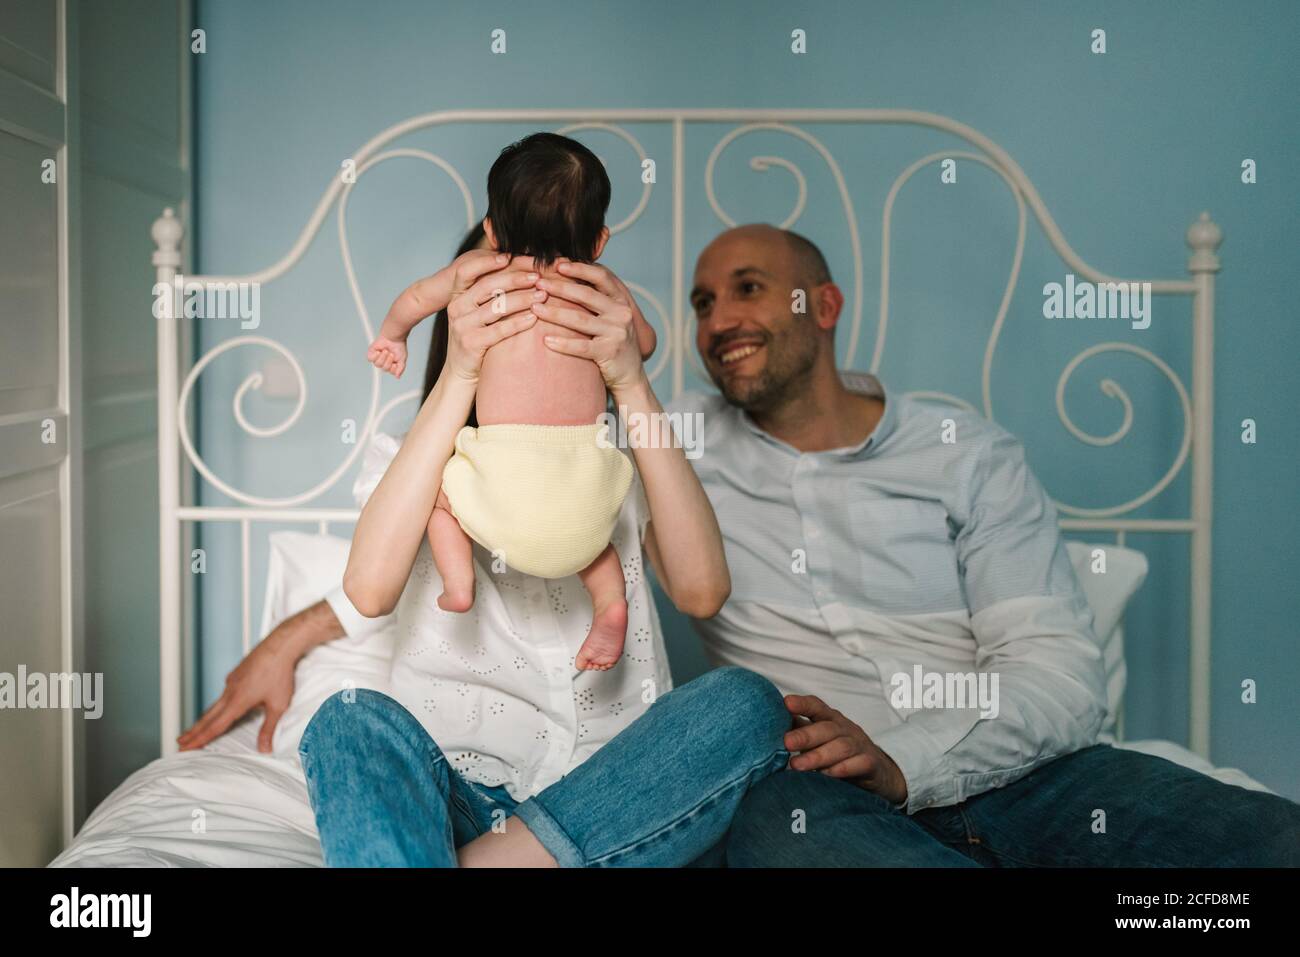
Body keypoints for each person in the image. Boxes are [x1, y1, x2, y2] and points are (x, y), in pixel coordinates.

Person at [670, 222, 1300, 866]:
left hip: (1030, 775)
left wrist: (906, 759)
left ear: (824, 305)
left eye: (748, 288)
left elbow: (1058, 675)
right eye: (702, 304)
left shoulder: (967, 455)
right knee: (783, 830)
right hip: (822, 794)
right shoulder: (673, 448)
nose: (719, 321)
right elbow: (570, 457)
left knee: (1274, 842)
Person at [181, 222, 791, 868]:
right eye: (496, 301)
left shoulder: (612, 467)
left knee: (747, 704)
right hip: (468, 796)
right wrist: (460, 372)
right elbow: (368, 588)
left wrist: (630, 381)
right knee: (348, 720)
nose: (522, 317)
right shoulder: (410, 461)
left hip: (614, 795)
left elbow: (703, 589)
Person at [365, 133, 656, 671]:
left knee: (440, 500)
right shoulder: (601, 285)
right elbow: (642, 344)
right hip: (582, 473)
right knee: (596, 544)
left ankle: (458, 581)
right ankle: (611, 605)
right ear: (598, 241)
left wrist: (392, 336)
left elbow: (413, 300)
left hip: (503, 472)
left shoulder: (478, 274)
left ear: (493, 232)